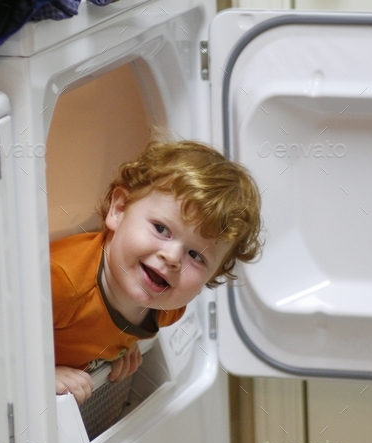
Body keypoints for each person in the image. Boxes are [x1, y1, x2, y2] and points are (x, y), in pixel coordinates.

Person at [51, 140, 262, 403]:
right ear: (119, 210)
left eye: (195, 255)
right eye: (161, 229)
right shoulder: (60, 284)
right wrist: (43, 376)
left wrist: (114, 350)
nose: (172, 258)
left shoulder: (167, 308)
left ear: (213, 276)